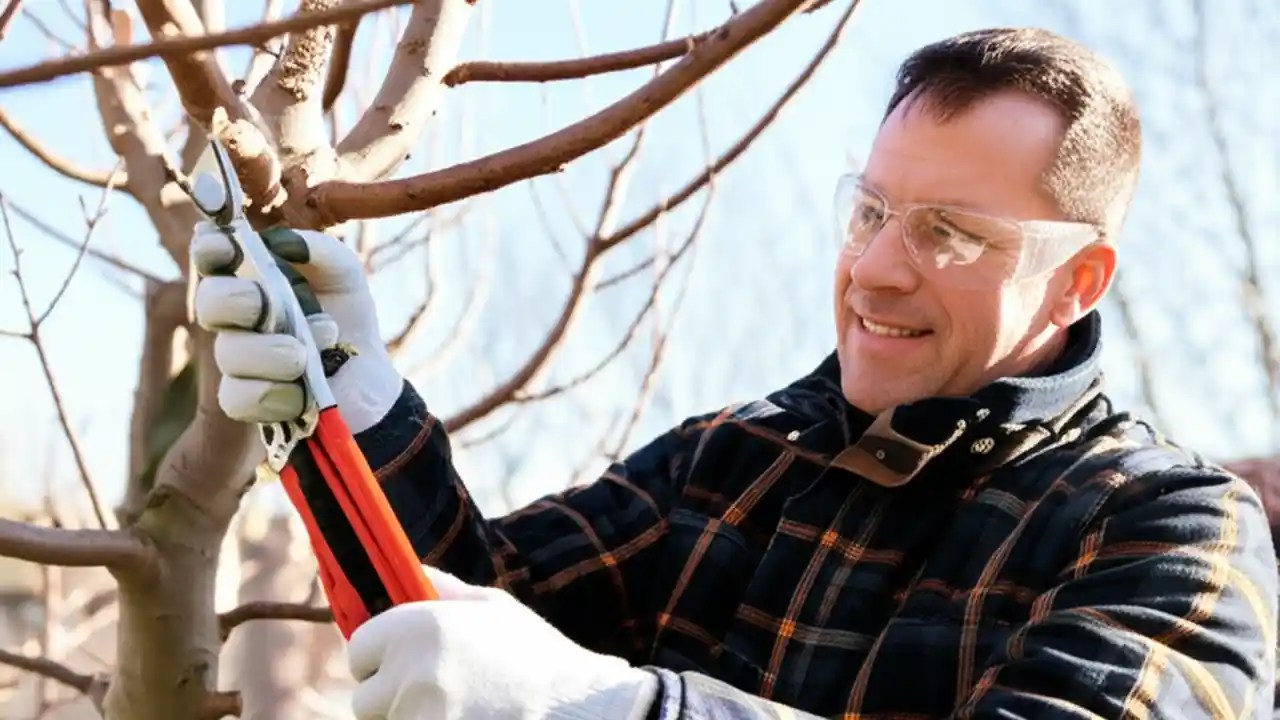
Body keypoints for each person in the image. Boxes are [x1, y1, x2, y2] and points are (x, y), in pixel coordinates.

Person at [190, 26, 1279, 720]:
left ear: (1077, 279)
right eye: (870, 212)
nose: (876, 271)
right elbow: (472, 616)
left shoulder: (1170, 528)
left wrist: (624, 713)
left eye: (949, 233)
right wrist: (355, 407)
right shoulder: (738, 456)